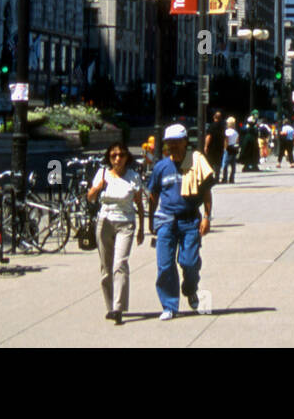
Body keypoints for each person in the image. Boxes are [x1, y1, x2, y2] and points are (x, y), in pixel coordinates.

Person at [148, 124, 214, 321]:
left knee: (190, 262)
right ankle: (169, 305)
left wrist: (207, 217)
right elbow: (153, 194)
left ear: (186, 142)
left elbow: (207, 193)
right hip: (166, 221)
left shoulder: (195, 162)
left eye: (177, 142)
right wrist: (151, 221)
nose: (174, 146)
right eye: (170, 143)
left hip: (190, 221)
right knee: (165, 266)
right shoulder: (161, 167)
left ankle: (190, 288)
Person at [87, 143, 145, 324]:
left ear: (127, 157)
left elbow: (139, 204)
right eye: (113, 155)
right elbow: (90, 197)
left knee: (120, 264)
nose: (117, 159)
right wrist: (98, 188)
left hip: (126, 223)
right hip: (104, 223)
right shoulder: (102, 174)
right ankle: (110, 306)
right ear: (109, 158)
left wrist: (142, 228)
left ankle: (118, 308)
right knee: (106, 268)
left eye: (121, 155)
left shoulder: (133, 177)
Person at [205, 111, 226, 181]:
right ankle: (217, 177)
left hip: (212, 147)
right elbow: (225, 137)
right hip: (220, 147)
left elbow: (209, 136)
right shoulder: (222, 126)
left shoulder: (212, 126)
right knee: (218, 162)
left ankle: (210, 177)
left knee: (210, 162)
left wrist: (206, 146)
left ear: (214, 117)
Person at [221, 116, 239, 184]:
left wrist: (225, 148)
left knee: (225, 164)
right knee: (233, 165)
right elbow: (237, 141)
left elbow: (226, 140)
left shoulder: (227, 131)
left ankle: (224, 178)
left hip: (228, 149)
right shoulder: (236, 132)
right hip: (234, 148)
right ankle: (232, 178)